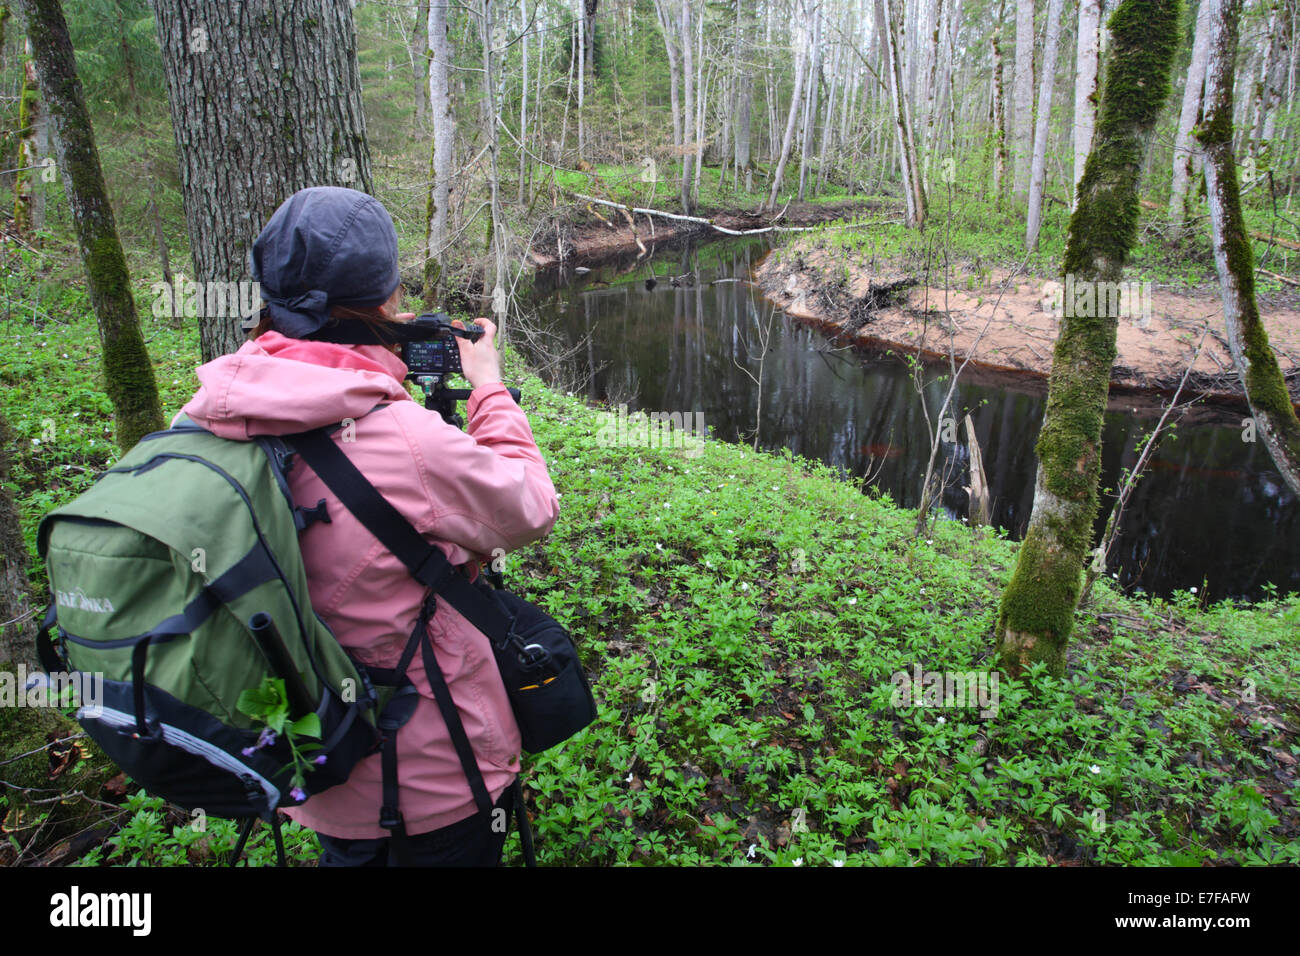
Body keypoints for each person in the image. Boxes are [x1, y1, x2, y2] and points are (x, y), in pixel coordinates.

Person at [177, 186, 560, 865]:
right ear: (385, 300)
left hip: (313, 761)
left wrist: (375, 361)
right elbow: (530, 507)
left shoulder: (206, 414)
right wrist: (489, 389)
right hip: (435, 783)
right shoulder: (406, 440)